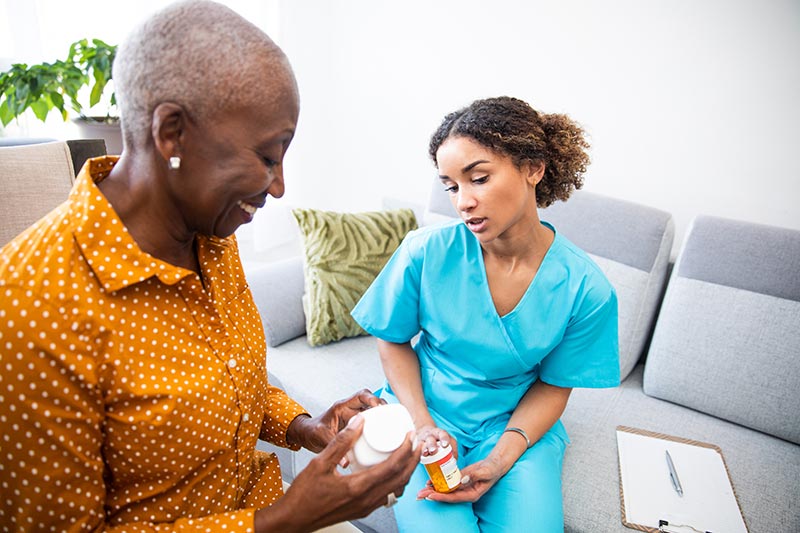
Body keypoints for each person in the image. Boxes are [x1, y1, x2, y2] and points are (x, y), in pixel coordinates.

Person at [0, 1, 417, 531]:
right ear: (172, 133)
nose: (279, 185)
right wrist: (288, 518)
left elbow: (230, 384)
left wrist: (308, 427)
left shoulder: (210, 236)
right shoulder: (30, 307)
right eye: (268, 157)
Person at [351, 96, 621, 532]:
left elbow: (554, 387)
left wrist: (500, 458)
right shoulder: (425, 253)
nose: (463, 202)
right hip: (426, 414)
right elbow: (393, 339)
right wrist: (422, 427)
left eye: (478, 178)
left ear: (533, 168)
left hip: (513, 425)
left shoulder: (587, 289)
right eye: (452, 186)